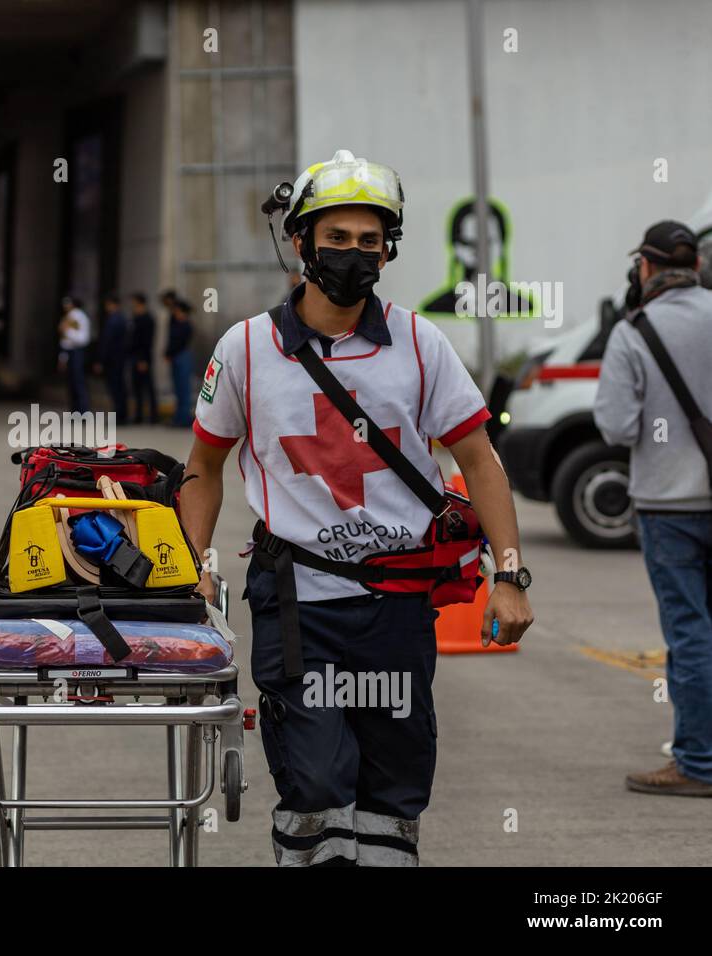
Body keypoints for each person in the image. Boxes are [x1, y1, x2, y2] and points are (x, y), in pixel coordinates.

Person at [179, 149, 533, 866]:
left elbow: (479, 462)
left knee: (394, 786)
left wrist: (510, 572)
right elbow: (202, 470)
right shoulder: (246, 349)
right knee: (314, 781)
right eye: (337, 239)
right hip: (297, 601)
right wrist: (194, 567)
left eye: (370, 242)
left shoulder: (420, 344)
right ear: (302, 241)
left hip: (397, 603)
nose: (354, 254)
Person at [594, 219, 712, 797]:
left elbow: (616, 426)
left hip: (670, 505)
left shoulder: (633, 332)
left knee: (691, 632)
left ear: (645, 268)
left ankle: (697, 763)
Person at [95, 291, 130, 425]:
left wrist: (100, 360)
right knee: (120, 387)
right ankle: (122, 414)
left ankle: (119, 415)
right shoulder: (121, 318)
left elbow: (107, 342)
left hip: (112, 359)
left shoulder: (113, 320)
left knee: (116, 387)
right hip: (119, 358)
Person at [164, 297, 195, 427]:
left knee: (184, 388)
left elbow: (179, 343)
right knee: (177, 388)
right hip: (176, 357)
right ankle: (179, 417)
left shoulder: (186, 325)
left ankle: (184, 417)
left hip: (182, 356)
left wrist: (170, 353)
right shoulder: (175, 323)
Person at [58, 294, 91, 414]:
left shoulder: (78, 316)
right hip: (70, 352)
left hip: (78, 351)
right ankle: (75, 411)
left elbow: (82, 338)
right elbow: (64, 341)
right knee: (71, 383)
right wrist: (63, 357)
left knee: (78, 382)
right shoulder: (69, 316)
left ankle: (83, 411)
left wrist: (67, 330)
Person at [129, 292, 158, 424]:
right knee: (137, 388)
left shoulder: (147, 319)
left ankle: (153, 416)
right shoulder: (136, 318)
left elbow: (146, 342)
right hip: (135, 357)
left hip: (142, 358)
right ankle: (139, 415)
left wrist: (143, 360)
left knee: (148, 387)